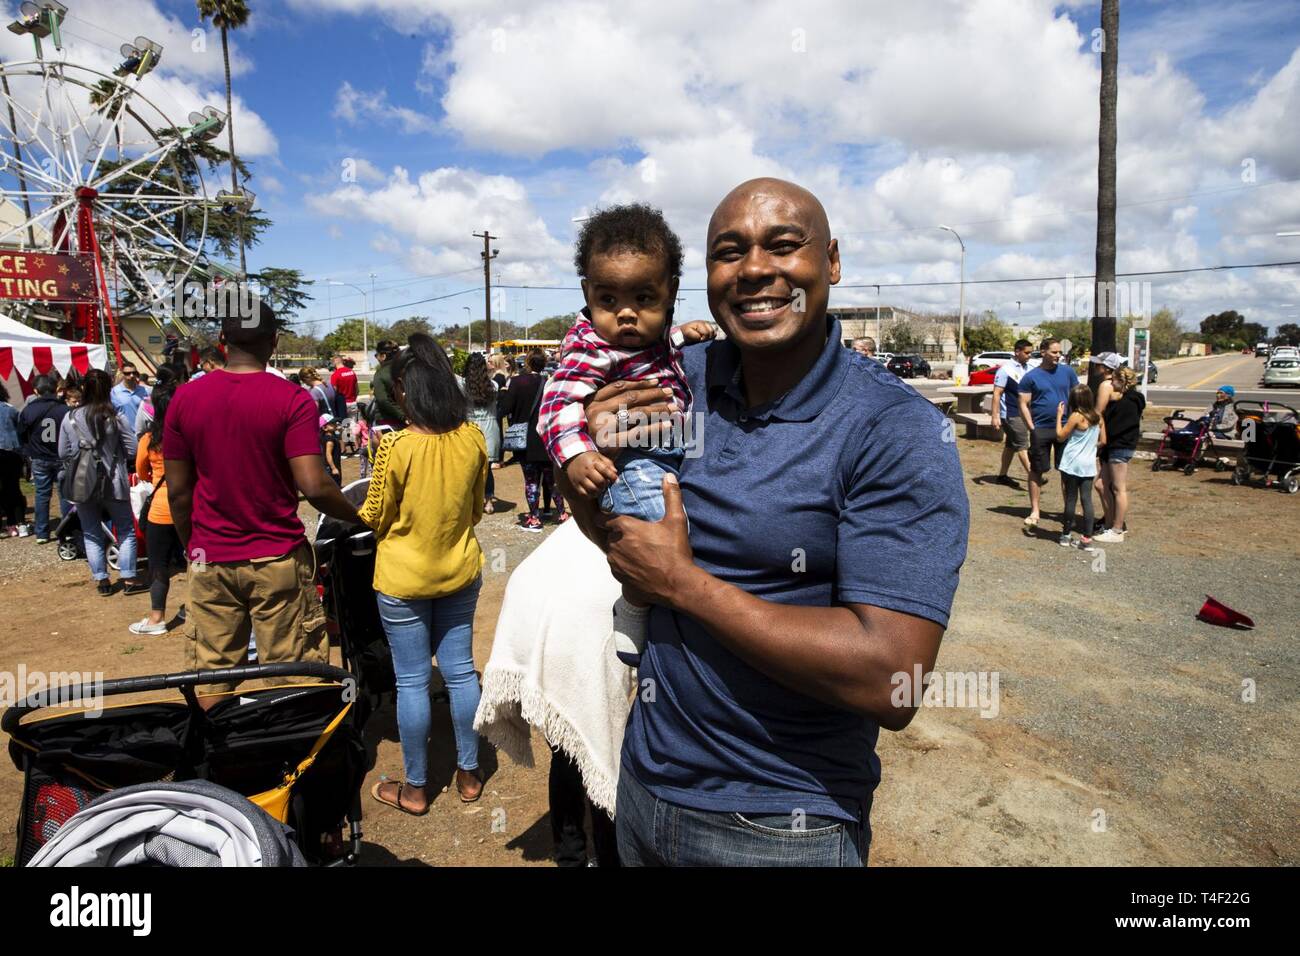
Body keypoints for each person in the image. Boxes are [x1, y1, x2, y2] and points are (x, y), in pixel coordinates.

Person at [564, 178, 968, 867]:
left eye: (783, 245)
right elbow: (609, 526)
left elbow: (890, 677)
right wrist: (589, 454)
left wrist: (684, 586)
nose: (754, 268)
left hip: (783, 824)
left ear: (832, 262)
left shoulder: (895, 431)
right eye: (730, 252)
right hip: (642, 786)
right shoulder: (674, 380)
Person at [538, 203, 716, 666]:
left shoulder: (654, 340)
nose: (627, 316)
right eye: (609, 300)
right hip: (633, 468)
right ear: (587, 293)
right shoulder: (588, 350)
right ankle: (634, 604)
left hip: (672, 451)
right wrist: (577, 457)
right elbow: (556, 406)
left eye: (644, 298)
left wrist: (680, 336)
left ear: (671, 292)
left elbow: (656, 354)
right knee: (657, 537)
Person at [164, 302, 362, 701]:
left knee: (211, 676)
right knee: (294, 674)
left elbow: (178, 492)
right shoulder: (292, 400)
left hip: (210, 559)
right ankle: (295, 759)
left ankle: (218, 757)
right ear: (273, 343)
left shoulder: (185, 399)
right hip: (278, 559)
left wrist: (193, 545)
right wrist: (359, 517)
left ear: (221, 342)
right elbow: (315, 486)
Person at [360, 334, 488, 813]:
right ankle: (470, 773)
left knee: (412, 681)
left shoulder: (395, 447)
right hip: (460, 571)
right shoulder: (473, 438)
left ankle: (415, 788)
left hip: (402, 580)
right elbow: (475, 510)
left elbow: (374, 514)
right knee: (460, 674)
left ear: (407, 394)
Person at [57, 369, 147, 596]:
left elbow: (62, 452)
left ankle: (102, 580)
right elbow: (132, 449)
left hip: (82, 483)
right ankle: (129, 578)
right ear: (108, 389)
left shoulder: (69, 418)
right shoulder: (115, 416)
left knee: (91, 531)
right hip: (114, 479)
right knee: (125, 529)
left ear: (84, 388)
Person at [130, 382, 182, 635]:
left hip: (161, 510)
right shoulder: (190, 433)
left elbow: (141, 471)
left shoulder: (150, 439)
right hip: (192, 509)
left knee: (158, 564)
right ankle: (198, 607)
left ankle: (156, 618)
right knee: (200, 558)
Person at [500, 349, 567, 532]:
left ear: (527, 362)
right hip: (546, 438)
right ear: (544, 363)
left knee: (531, 481)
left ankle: (534, 519)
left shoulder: (517, 382)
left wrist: (504, 395)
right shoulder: (549, 383)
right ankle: (561, 514)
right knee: (552, 480)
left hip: (526, 440)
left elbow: (506, 408)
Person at [1018, 338, 1079, 531]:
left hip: (1065, 427)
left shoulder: (1068, 372)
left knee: (1067, 471)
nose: (1058, 356)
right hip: (1041, 429)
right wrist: (1032, 427)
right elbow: (1023, 404)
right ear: (1043, 352)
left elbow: (1077, 396)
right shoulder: (1031, 376)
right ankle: (1035, 510)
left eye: (1059, 352)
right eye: (1054, 352)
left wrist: (1076, 422)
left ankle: (1067, 511)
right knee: (1036, 470)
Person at [17, 375, 69, 543]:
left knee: (41, 495)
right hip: (61, 456)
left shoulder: (29, 410)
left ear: (35, 391)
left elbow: (22, 434)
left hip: (39, 457)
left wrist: (28, 452)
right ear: (55, 389)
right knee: (65, 494)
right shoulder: (64, 409)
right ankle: (67, 529)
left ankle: (42, 532)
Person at [1095, 366, 1144, 543]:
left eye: (1113, 380)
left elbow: (1121, 426)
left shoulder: (1130, 401)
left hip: (1120, 446)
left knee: (1118, 488)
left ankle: (1117, 529)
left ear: (1121, 381)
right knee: (1101, 485)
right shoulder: (1125, 399)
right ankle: (1109, 522)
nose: (1110, 384)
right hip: (1111, 447)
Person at [1054, 384, 1105, 552]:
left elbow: (1060, 437)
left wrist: (1059, 417)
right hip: (1088, 464)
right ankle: (1087, 538)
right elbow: (1103, 441)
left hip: (1071, 462)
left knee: (1070, 499)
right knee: (1087, 500)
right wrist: (1090, 448)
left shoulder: (1076, 416)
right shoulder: (1098, 417)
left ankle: (1066, 535)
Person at [989, 339, 1033, 486]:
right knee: (1022, 444)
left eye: (1030, 353)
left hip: (1024, 412)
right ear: (1017, 352)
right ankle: (1034, 476)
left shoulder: (1028, 368)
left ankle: (1002, 476)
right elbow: (997, 393)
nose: (1029, 355)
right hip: (1011, 414)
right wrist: (995, 416)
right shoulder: (1005, 370)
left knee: (1010, 445)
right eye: (1027, 353)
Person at [462, 352, 502, 513]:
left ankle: (471, 500)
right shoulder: (494, 385)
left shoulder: (463, 385)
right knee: (488, 468)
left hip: (470, 428)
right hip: (491, 429)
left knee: (469, 468)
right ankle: (488, 501)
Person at [0, 382, 26, 536]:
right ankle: (17, 524)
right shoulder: (10, 410)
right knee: (14, 489)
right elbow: (20, 432)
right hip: (12, 453)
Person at [110, 362, 149, 429]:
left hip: (142, 433)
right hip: (124, 435)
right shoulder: (114, 392)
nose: (132, 375)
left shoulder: (144, 391)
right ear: (122, 374)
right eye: (127, 373)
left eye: (134, 373)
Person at [1088, 351, 1122, 416]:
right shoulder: (1115, 382)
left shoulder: (1105, 386)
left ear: (1107, 369)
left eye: (1098, 364)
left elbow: (1098, 413)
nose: (1094, 366)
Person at [320, 415, 342, 484]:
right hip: (332, 467)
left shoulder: (329, 436)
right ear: (324, 428)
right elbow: (328, 454)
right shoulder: (330, 440)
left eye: (335, 422)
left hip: (333, 465)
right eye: (332, 423)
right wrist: (333, 468)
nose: (335, 424)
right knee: (336, 485)